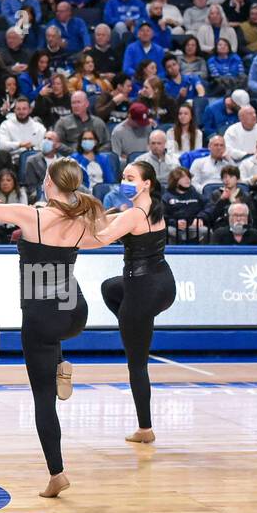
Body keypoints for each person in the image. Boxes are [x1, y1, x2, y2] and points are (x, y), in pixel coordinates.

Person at [0, 158, 105, 497]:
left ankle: (56, 473)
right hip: (75, 310)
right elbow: (102, 238)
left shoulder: (32, 215)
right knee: (54, 333)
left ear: (48, 183)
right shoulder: (82, 220)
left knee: (43, 400)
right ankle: (59, 364)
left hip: (41, 315)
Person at [95, 160, 176, 444]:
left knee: (137, 365)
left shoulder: (134, 214)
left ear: (146, 183)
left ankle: (145, 429)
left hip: (143, 287)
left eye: (131, 177)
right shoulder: (154, 206)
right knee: (109, 289)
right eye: (123, 176)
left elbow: (99, 239)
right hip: (164, 284)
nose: (124, 181)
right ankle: (133, 326)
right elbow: (115, 219)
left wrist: (63, 235)